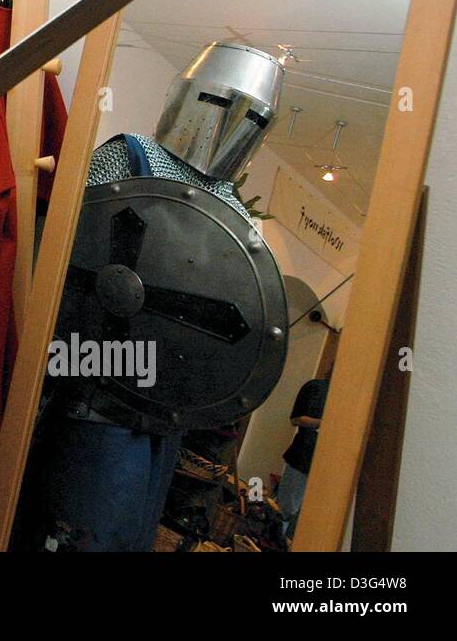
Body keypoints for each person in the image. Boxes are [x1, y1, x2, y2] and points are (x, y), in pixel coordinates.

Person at [22, 42, 285, 551]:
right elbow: (64, 258)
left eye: (255, 119)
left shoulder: (232, 213)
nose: (235, 124)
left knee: (129, 538)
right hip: (93, 397)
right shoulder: (128, 158)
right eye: (223, 105)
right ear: (194, 96)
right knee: (78, 535)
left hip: (165, 413)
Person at [277, 375, 331, 537]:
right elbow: (296, 419)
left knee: (310, 515)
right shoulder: (316, 387)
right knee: (286, 508)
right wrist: (326, 422)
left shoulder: (351, 398)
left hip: (327, 463)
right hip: (303, 456)